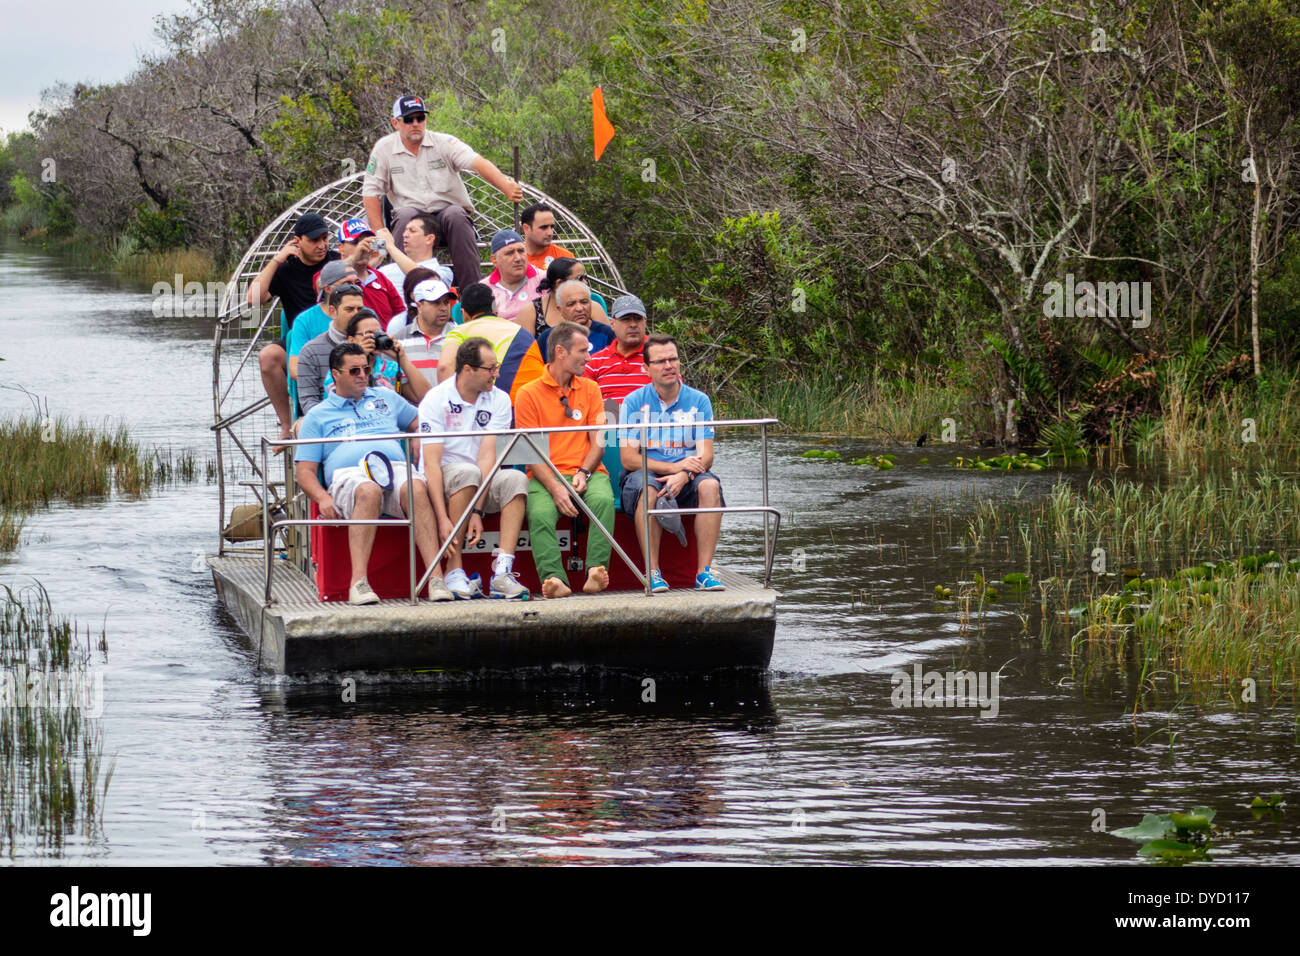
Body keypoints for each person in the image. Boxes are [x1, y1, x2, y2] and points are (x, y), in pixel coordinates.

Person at [296, 342, 452, 604]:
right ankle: (358, 583)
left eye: (365, 369)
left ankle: (436, 578)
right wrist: (322, 498)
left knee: (415, 487)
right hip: (350, 474)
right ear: (335, 374)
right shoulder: (317, 416)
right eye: (354, 371)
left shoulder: (386, 397)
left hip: (394, 467)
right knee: (368, 491)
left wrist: (417, 436)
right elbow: (305, 472)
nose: (362, 376)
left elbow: (424, 422)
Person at [363, 94, 523, 289]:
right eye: (409, 119)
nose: (415, 123)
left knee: (456, 214)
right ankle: (399, 292)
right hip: (411, 218)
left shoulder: (444, 142)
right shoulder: (383, 149)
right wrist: (380, 234)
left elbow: (477, 163)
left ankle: (472, 295)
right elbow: (371, 193)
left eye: (420, 118)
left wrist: (505, 185)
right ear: (395, 123)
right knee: (405, 216)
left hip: (448, 218)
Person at [418, 336, 530, 600]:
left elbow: (487, 457)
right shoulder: (435, 399)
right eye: (490, 369)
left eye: (497, 366)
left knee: (515, 478)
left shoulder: (499, 399)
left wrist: (477, 510)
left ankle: (502, 573)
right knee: (466, 473)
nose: (497, 373)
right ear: (468, 369)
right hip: (444, 479)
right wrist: (442, 517)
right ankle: (454, 571)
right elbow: (431, 464)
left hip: (480, 480)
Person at [619, 333, 726, 592]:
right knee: (649, 490)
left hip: (689, 472)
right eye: (660, 361)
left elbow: (707, 456)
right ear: (646, 368)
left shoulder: (700, 400)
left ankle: (704, 573)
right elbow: (629, 459)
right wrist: (674, 469)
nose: (668, 366)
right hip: (648, 470)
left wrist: (684, 475)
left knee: (710, 487)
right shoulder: (633, 401)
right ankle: (653, 573)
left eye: (673, 359)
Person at [514, 321, 614, 599]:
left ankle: (595, 570)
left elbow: (599, 441)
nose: (589, 357)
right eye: (582, 351)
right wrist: (557, 487)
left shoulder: (591, 388)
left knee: (603, 501)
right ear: (560, 352)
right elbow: (529, 452)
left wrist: (584, 471)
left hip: (587, 472)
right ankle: (554, 579)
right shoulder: (527, 393)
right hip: (545, 477)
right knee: (541, 514)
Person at [250, 211, 341, 441]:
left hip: (336, 336)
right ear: (297, 241)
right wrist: (277, 260)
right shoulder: (287, 268)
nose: (321, 245)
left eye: (324, 238)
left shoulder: (336, 263)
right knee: (268, 356)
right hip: (299, 338)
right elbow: (253, 299)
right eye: (313, 240)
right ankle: (285, 424)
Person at [298, 286, 430, 413]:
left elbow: (425, 399)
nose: (355, 314)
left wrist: (402, 359)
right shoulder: (324, 360)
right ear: (351, 340)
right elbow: (321, 404)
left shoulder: (389, 367)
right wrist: (358, 355)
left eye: (377, 334)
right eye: (349, 309)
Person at [436, 282, 546, 403]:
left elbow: (444, 367)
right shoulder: (521, 332)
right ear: (495, 309)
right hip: (533, 403)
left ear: (463, 313)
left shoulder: (460, 331)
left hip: (492, 406)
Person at [285, 260, 360, 415]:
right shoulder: (305, 320)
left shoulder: (364, 316)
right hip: (321, 395)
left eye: (356, 283)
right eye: (346, 283)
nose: (353, 288)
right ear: (327, 289)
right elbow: (294, 369)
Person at [390, 277, 458, 392]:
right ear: (419, 306)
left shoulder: (461, 337)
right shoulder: (399, 340)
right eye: (436, 303)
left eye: (446, 302)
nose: (443, 308)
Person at [336, 217, 405, 328]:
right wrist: (354, 258)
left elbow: (401, 315)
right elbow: (322, 284)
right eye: (355, 242)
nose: (363, 246)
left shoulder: (380, 277)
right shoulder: (332, 275)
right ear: (341, 247)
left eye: (368, 241)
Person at [523, 257, 611, 338]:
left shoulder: (593, 307)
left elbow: (609, 340)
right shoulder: (531, 311)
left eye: (585, 277)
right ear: (559, 283)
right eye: (580, 278)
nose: (585, 282)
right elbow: (525, 349)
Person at [586, 294, 651, 401]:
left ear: (645, 322)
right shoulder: (595, 362)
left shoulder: (660, 356)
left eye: (638, 319)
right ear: (612, 324)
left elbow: (674, 395)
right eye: (626, 319)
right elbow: (583, 401)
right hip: (606, 416)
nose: (633, 324)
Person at [375, 215, 454, 300]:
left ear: (429, 239)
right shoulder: (384, 271)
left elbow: (421, 279)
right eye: (405, 231)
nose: (405, 235)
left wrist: (391, 247)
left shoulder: (443, 272)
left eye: (412, 231)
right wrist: (371, 263)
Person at [536, 279, 614, 362]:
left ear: (591, 304)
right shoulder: (547, 338)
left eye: (584, 302)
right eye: (571, 304)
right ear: (560, 309)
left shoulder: (608, 335)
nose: (579, 308)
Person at [484, 229, 542, 325]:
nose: (518, 258)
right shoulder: (484, 288)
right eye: (510, 253)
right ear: (494, 260)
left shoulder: (543, 279)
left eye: (521, 251)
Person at [519, 202, 573, 271]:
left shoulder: (565, 259)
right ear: (526, 228)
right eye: (544, 227)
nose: (550, 233)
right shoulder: (514, 260)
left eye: (552, 227)